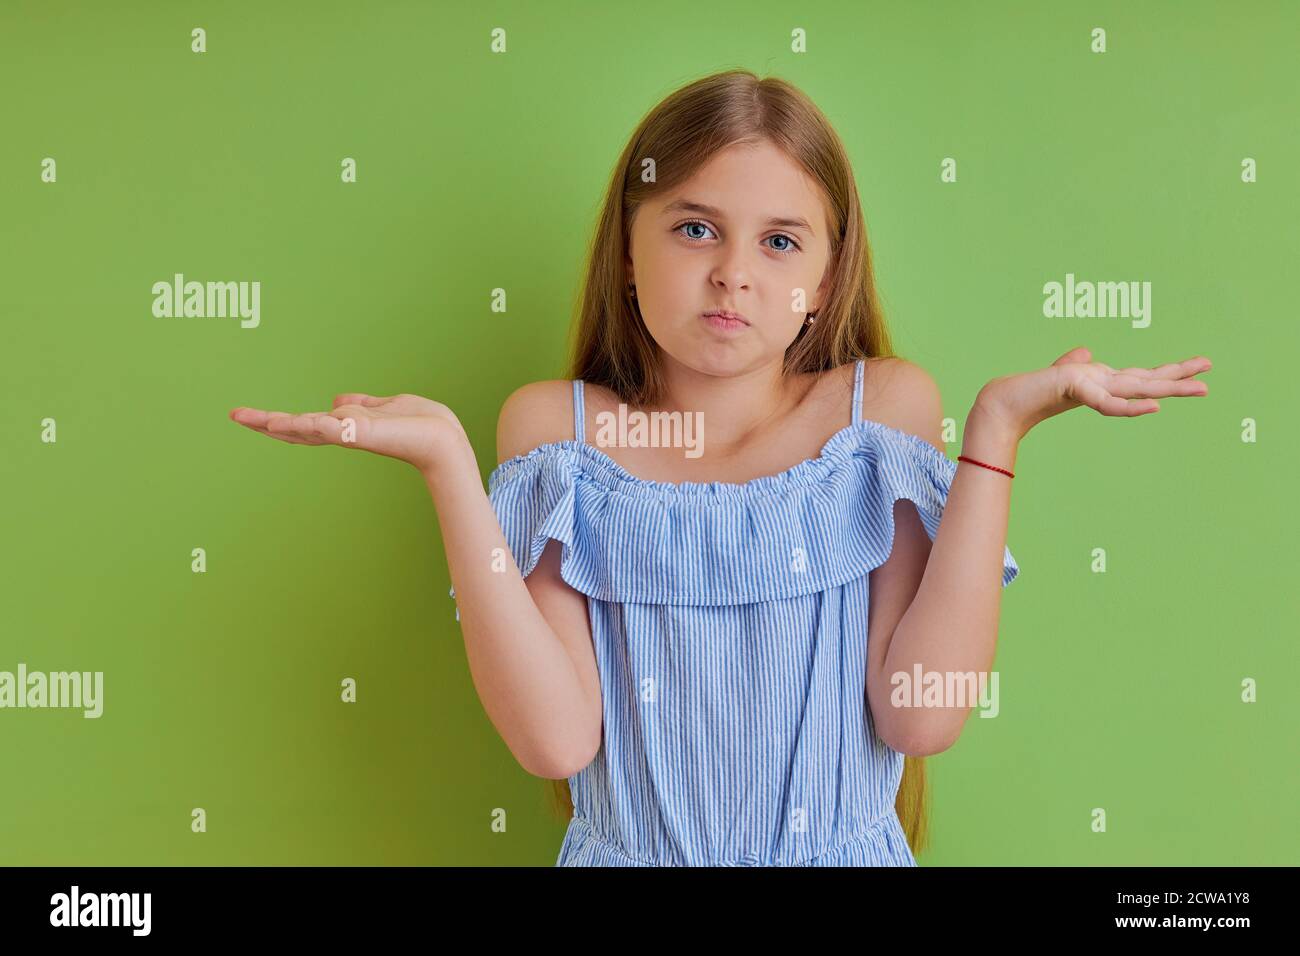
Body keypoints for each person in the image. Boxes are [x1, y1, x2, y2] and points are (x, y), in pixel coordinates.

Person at [228, 69, 1212, 866]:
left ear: (824, 282)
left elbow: (921, 713)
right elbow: (555, 741)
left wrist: (995, 430)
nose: (734, 272)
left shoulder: (881, 413)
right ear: (627, 247)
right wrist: (448, 467)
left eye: (780, 241)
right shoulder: (553, 431)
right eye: (695, 227)